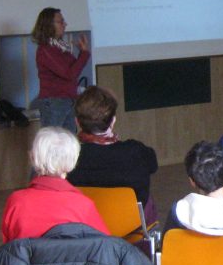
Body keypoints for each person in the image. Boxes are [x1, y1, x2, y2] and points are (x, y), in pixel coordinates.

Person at [2, 127, 109, 243]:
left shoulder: (16, 201)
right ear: (74, 161)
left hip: (28, 261)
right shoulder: (84, 205)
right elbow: (104, 246)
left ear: (32, 158)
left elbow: (9, 248)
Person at [66, 85, 159, 220]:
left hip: (87, 227)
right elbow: (153, 166)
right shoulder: (137, 151)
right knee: (148, 200)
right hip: (131, 226)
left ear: (77, 122)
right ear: (113, 121)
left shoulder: (67, 158)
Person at [31, 7, 90, 130]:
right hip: (54, 103)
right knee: (53, 143)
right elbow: (69, 74)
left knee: (69, 143)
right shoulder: (46, 50)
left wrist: (82, 53)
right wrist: (84, 54)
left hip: (68, 100)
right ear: (48, 25)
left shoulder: (60, 48)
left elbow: (73, 69)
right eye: (61, 21)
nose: (65, 24)